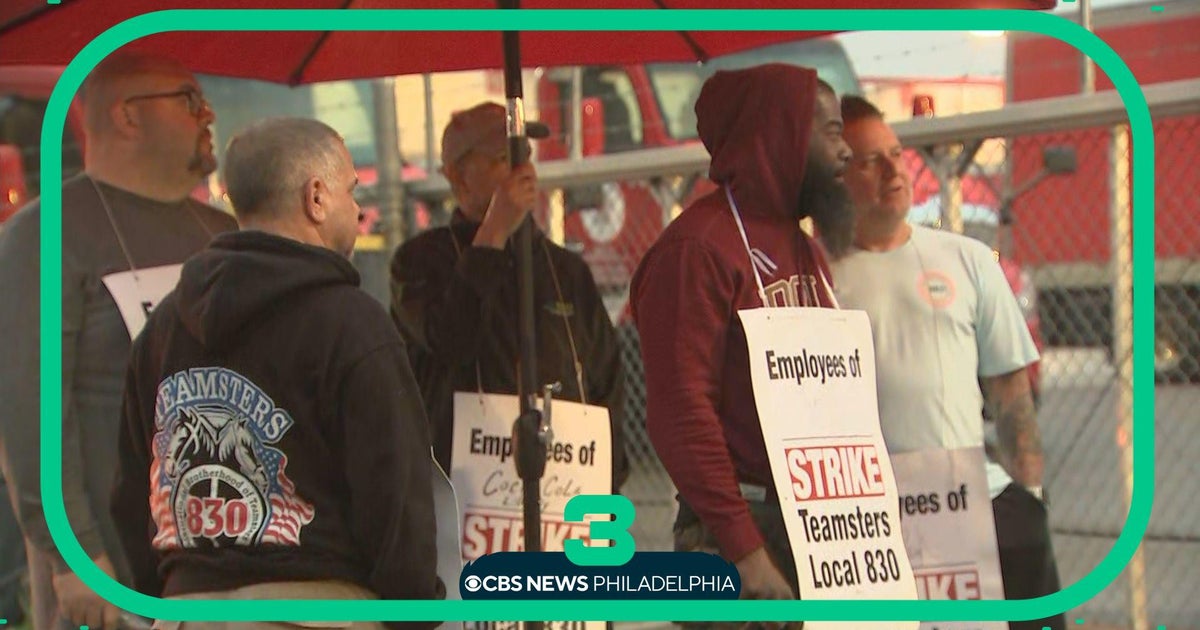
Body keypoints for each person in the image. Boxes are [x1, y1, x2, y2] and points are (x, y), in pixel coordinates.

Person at [110, 117, 443, 630]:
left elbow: (134, 495)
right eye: (351, 191)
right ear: (316, 197)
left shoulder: (161, 327)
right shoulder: (351, 324)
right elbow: (395, 496)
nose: (358, 209)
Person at [0, 51, 237, 630]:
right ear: (128, 116)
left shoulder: (226, 234)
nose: (208, 114)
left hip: (233, 560)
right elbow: (32, 409)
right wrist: (73, 556)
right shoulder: (44, 234)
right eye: (188, 99)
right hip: (117, 577)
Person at [825, 95, 1064, 630]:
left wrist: (1029, 494)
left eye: (895, 152)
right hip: (876, 527)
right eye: (871, 160)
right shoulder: (819, 280)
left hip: (983, 504)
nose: (894, 169)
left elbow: (1010, 392)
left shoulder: (970, 260)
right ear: (838, 177)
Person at [630, 64, 852, 603]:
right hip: (740, 538)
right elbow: (682, 410)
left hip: (818, 527)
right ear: (778, 135)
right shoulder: (697, 250)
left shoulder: (805, 249)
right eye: (830, 131)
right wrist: (746, 554)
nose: (846, 151)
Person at [389, 101, 628, 492]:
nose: (524, 172)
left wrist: (607, 487)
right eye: (504, 159)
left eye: (526, 157)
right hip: (464, 506)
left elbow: (606, 386)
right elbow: (451, 341)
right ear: (458, 177)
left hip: (565, 501)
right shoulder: (418, 263)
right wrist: (492, 237)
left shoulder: (565, 270)